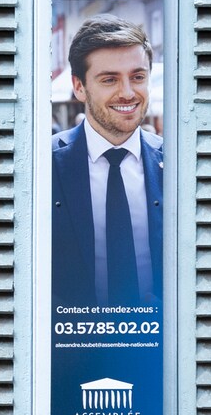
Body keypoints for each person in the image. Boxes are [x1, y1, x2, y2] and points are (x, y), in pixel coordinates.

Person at [52, 17, 165, 311]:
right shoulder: (44, 166)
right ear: (79, 87)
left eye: (138, 77)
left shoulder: (178, 165)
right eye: (109, 79)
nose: (127, 92)